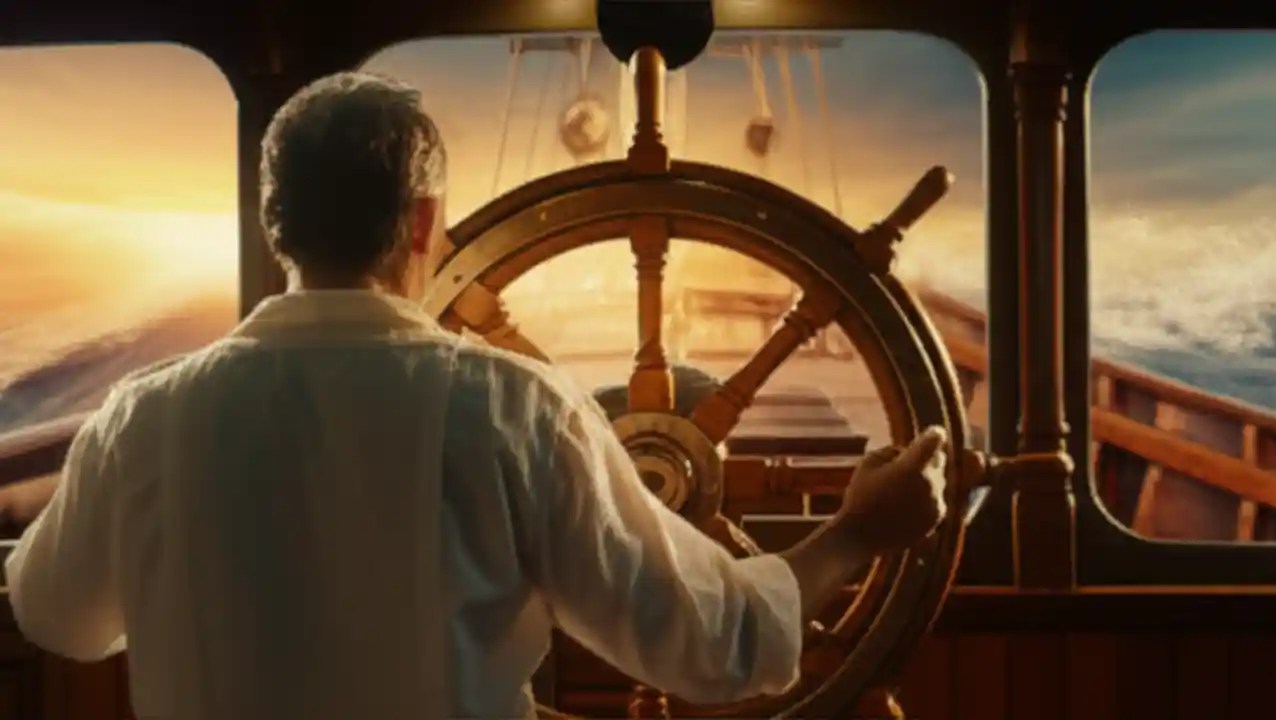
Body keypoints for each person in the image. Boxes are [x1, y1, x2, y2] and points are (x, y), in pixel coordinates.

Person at [2, 71, 948, 719]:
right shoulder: (509, 409)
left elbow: (56, 615)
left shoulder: (142, 418)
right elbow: (714, 644)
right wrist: (858, 532)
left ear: (273, 225)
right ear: (424, 224)